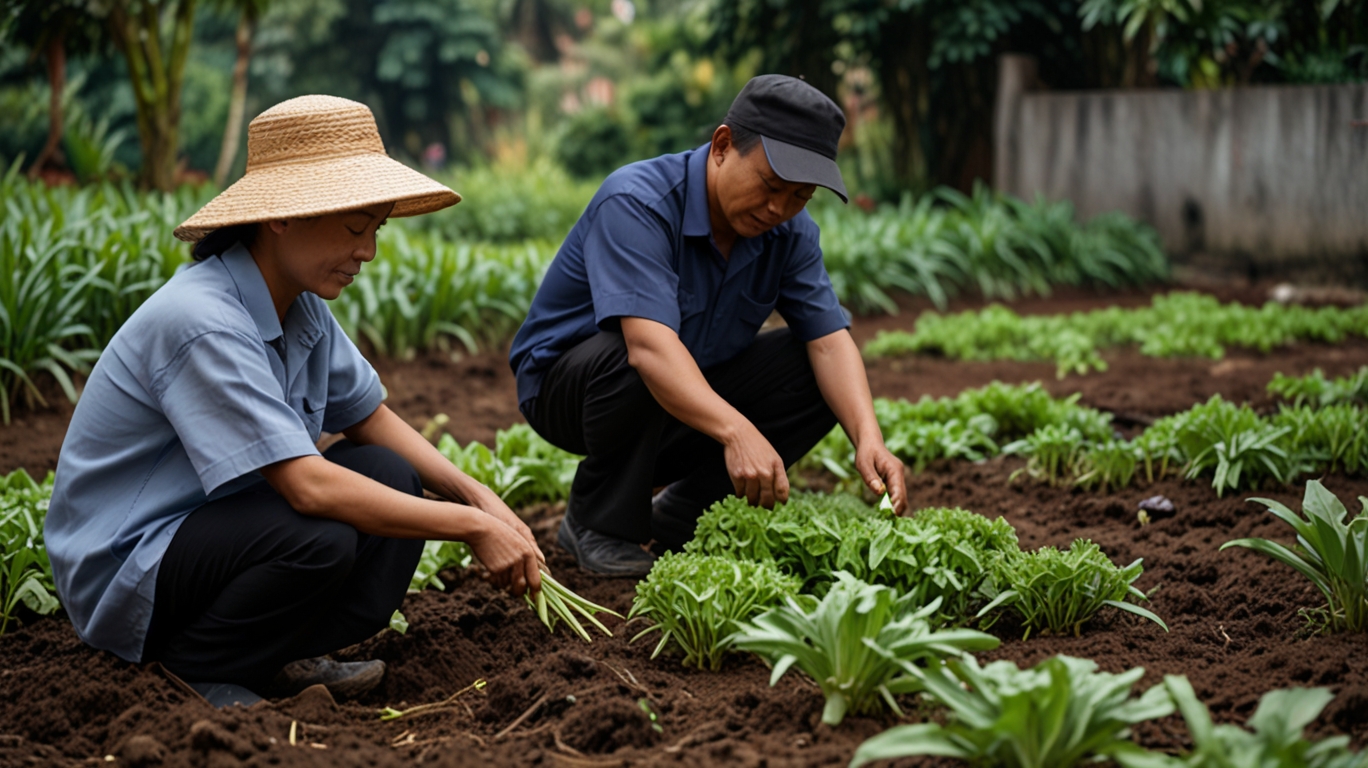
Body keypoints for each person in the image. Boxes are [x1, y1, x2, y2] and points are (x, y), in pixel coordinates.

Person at [45, 95, 545, 708]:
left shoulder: (299, 305)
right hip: (130, 565)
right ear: (282, 216)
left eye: (375, 229)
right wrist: (470, 528)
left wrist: (478, 495)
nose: (369, 252)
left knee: (393, 474)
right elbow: (308, 489)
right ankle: (197, 669)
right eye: (356, 227)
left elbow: (368, 418)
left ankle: (269, 657)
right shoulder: (203, 320)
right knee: (320, 535)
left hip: (215, 534)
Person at [509, 75, 908, 576]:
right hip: (572, 391)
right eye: (770, 185)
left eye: (800, 197)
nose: (779, 209)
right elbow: (649, 349)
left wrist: (868, 437)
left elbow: (830, 342)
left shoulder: (789, 232)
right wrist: (737, 430)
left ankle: (682, 515)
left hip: (680, 390)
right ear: (722, 147)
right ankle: (600, 523)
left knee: (809, 370)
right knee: (635, 351)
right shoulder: (638, 201)